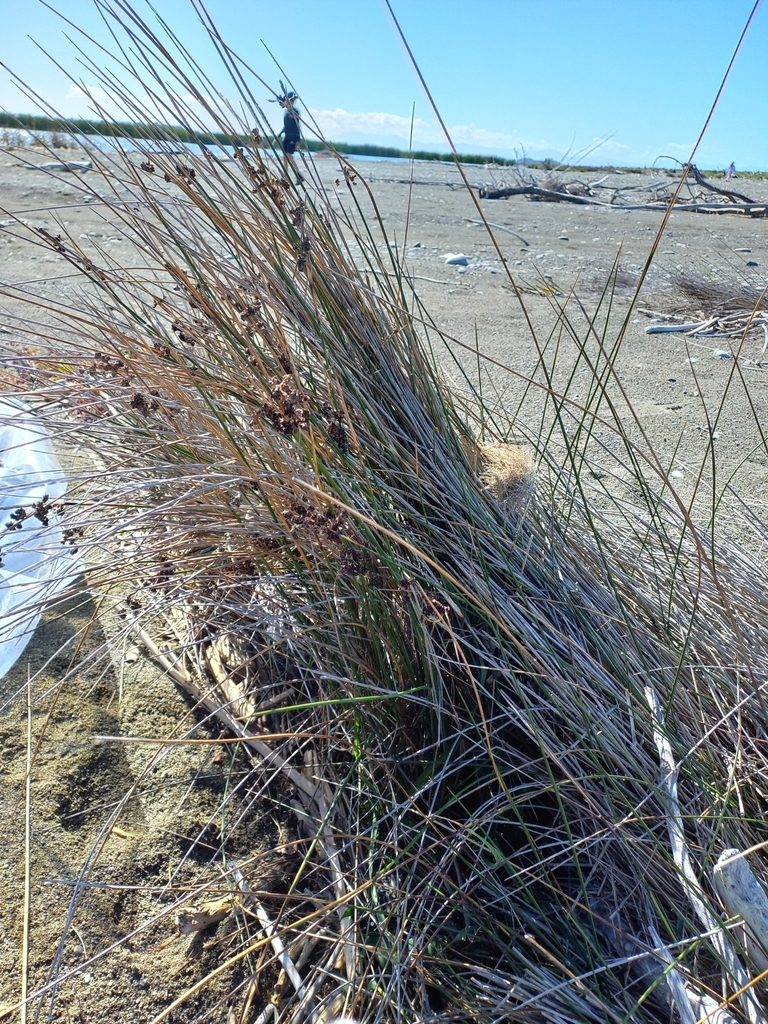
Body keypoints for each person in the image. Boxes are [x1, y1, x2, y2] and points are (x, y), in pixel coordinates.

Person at [278, 92, 304, 183]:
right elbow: (286, 126)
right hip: (286, 137)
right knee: (284, 157)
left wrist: (298, 140)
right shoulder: (286, 112)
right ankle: (285, 176)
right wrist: (279, 134)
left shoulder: (295, 112)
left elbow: (298, 126)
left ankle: (298, 174)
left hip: (293, 138)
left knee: (289, 155)